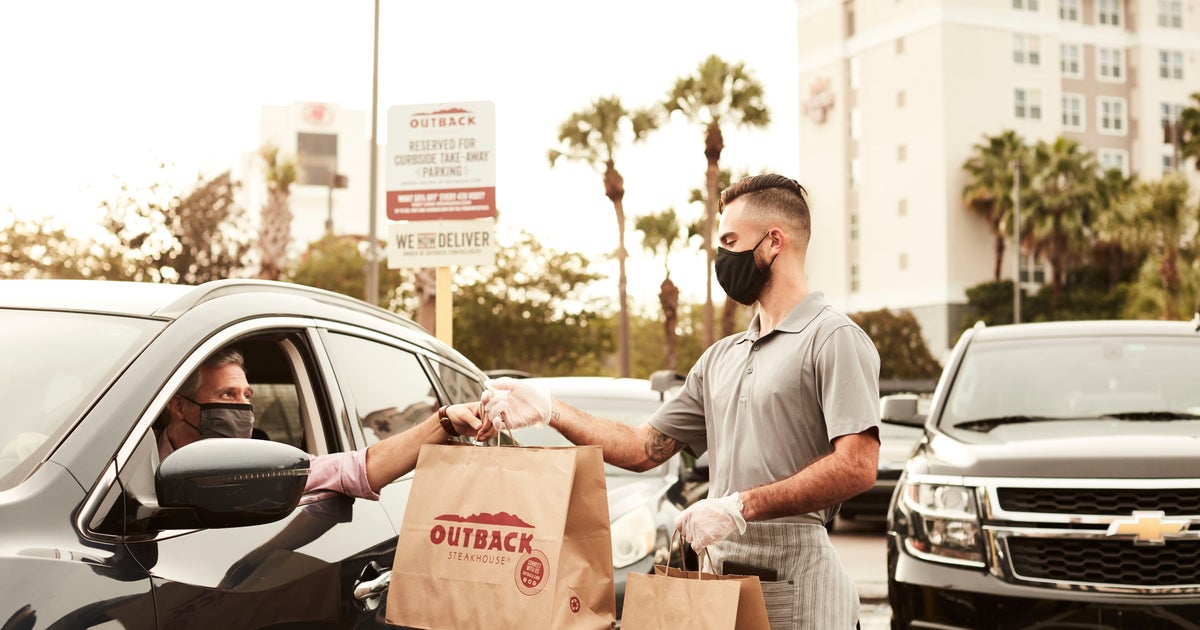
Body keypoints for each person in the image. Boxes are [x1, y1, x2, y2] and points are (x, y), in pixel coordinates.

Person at [484, 174, 881, 630]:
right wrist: (552, 410)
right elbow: (641, 448)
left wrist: (738, 507)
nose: (722, 256)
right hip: (718, 576)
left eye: (731, 241)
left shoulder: (834, 338)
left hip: (801, 579)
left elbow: (857, 464)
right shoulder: (719, 358)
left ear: (774, 242)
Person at [158, 348, 495, 500]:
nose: (244, 408)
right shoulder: (127, 461)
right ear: (179, 407)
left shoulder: (265, 468)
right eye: (228, 396)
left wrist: (444, 422)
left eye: (247, 396)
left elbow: (357, 468)